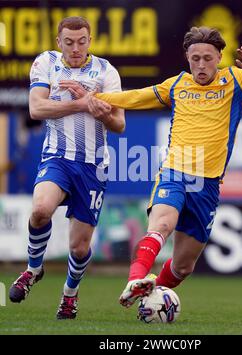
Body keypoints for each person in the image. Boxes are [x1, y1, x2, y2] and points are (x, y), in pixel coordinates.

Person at [87, 26, 242, 308]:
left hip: (207, 185)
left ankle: (150, 290)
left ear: (219, 56)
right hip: (174, 171)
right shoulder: (177, 85)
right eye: (195, 58)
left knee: (183, 267)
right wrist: (93, 98)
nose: (201, 64)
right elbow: (134, 97)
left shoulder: (237, 79)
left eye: (208, 57)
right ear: (187, 58)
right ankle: (135, 279)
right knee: (161, 225)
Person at [9, 16, 125, 319]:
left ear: (90, 40)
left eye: (81, 41)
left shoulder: (106, 71)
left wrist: (96, 107)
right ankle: (34, 269)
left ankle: (69, 296)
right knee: (40, 210)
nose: (75, 47)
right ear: (59, 41)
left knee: (79, 248)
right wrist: (83, 103)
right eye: (69, 42)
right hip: (57, 158)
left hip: (93, 167)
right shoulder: (46, 62)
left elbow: (119, 124)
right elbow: (37, 108)